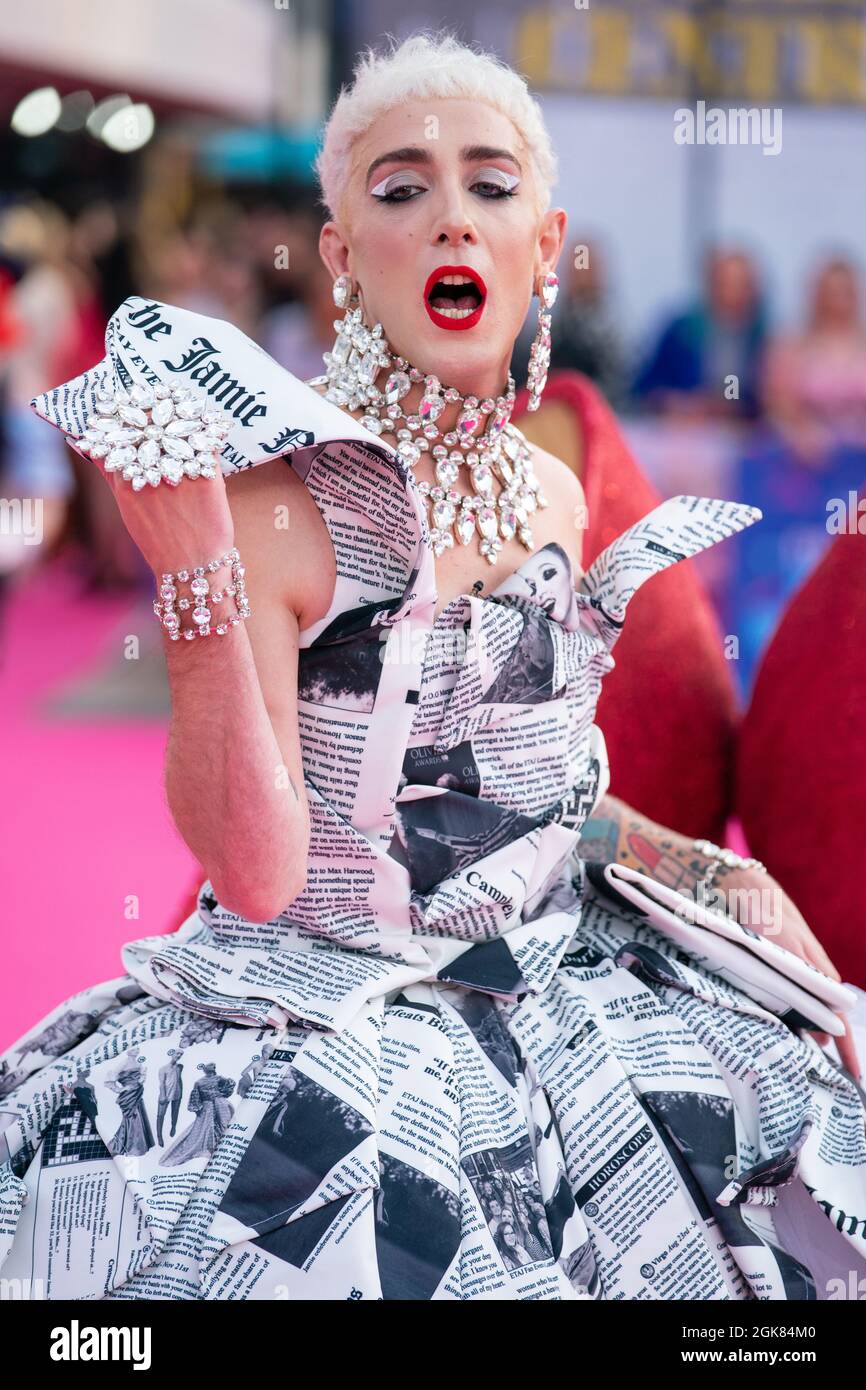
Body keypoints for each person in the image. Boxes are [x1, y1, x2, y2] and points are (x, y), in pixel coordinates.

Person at [2, 32, 864, 1303]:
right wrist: (192, 572)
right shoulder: (275, 501)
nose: (451, 216)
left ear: (543, 244)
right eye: (401, 189)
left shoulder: (560, 496)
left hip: (565, 989)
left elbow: (542, 806)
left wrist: (703, 870)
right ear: (343, 256)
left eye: (491, 185)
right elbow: (251, 872)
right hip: (328, 1009)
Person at [632, 247, 767, 420]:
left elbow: (767, 402)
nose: (732, 292)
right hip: (683, 434)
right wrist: (676, 402)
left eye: (740, 284)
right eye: (725, 283)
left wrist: (731, 406)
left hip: (741, 436)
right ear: (710, 284)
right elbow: (647, 387)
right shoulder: (681, 331)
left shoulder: (761, 341)